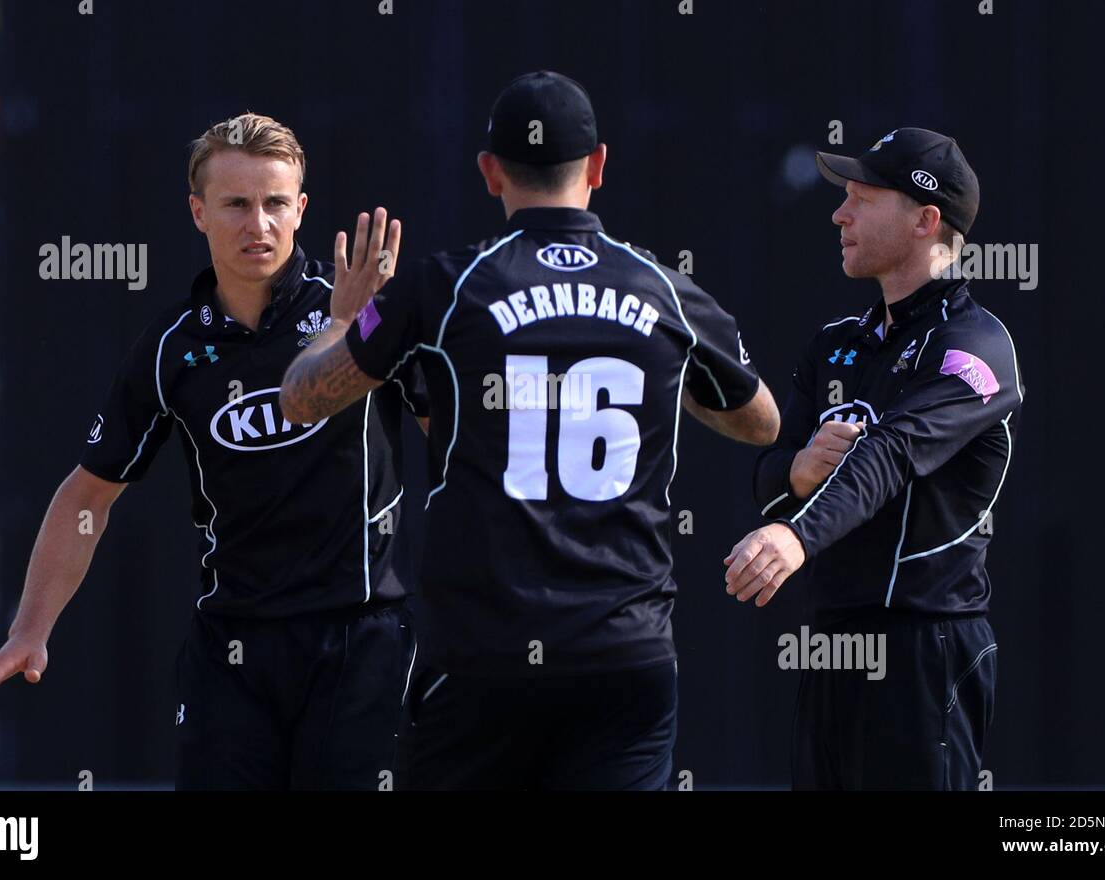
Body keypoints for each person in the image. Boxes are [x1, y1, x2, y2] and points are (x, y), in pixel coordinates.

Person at [280, 71, 780, 790]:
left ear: (489, 172)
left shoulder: (442, 287)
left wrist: (339, 320)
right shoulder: (664, 289)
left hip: (483, 658)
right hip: (623, 656)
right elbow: (760, 421)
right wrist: (669, 371)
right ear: (599, 166)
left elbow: (302, 400)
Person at [0, 113, 425, 790]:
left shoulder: (358, 313)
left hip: (360, 641)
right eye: (236, 204)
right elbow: (87, 494)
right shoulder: (172, 350)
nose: (258, 225)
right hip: (233, 647)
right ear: (197, 212)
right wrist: (29, 629)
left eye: (275, 204)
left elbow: (454, 436)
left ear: (301, 210)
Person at [726, 127, 1023, 790]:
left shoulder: (974, 347)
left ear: (925, 220)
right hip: (832, 641)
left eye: (862, 197)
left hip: (927, 648)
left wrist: (796, 535)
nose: (840, 213)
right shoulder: (837, 344)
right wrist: (799, 471)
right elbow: (772, 472)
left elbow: (888, 456)